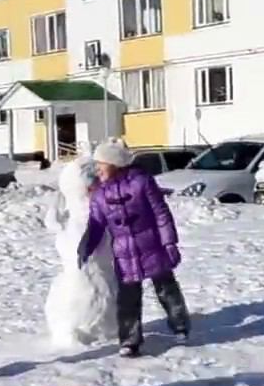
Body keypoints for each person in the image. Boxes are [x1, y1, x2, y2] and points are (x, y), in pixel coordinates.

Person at [78, 138, 190, 357]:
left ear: (114, 163)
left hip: (152, 245)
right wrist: (85, 246)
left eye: (101, 164)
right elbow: (96, 224)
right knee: (128, 298)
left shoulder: (142, 182)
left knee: (166, 288)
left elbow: (161, 213)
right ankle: (129, 341)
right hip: (123, 253)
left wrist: (169, 243)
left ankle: (180, 326)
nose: (98, 169)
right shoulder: (100, 194)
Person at [44, 153, 119, 348]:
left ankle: (92, 330)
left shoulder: (97, 215)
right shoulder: (77, 216)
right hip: (76, 282)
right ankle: (74, 331)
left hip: (95, 279)